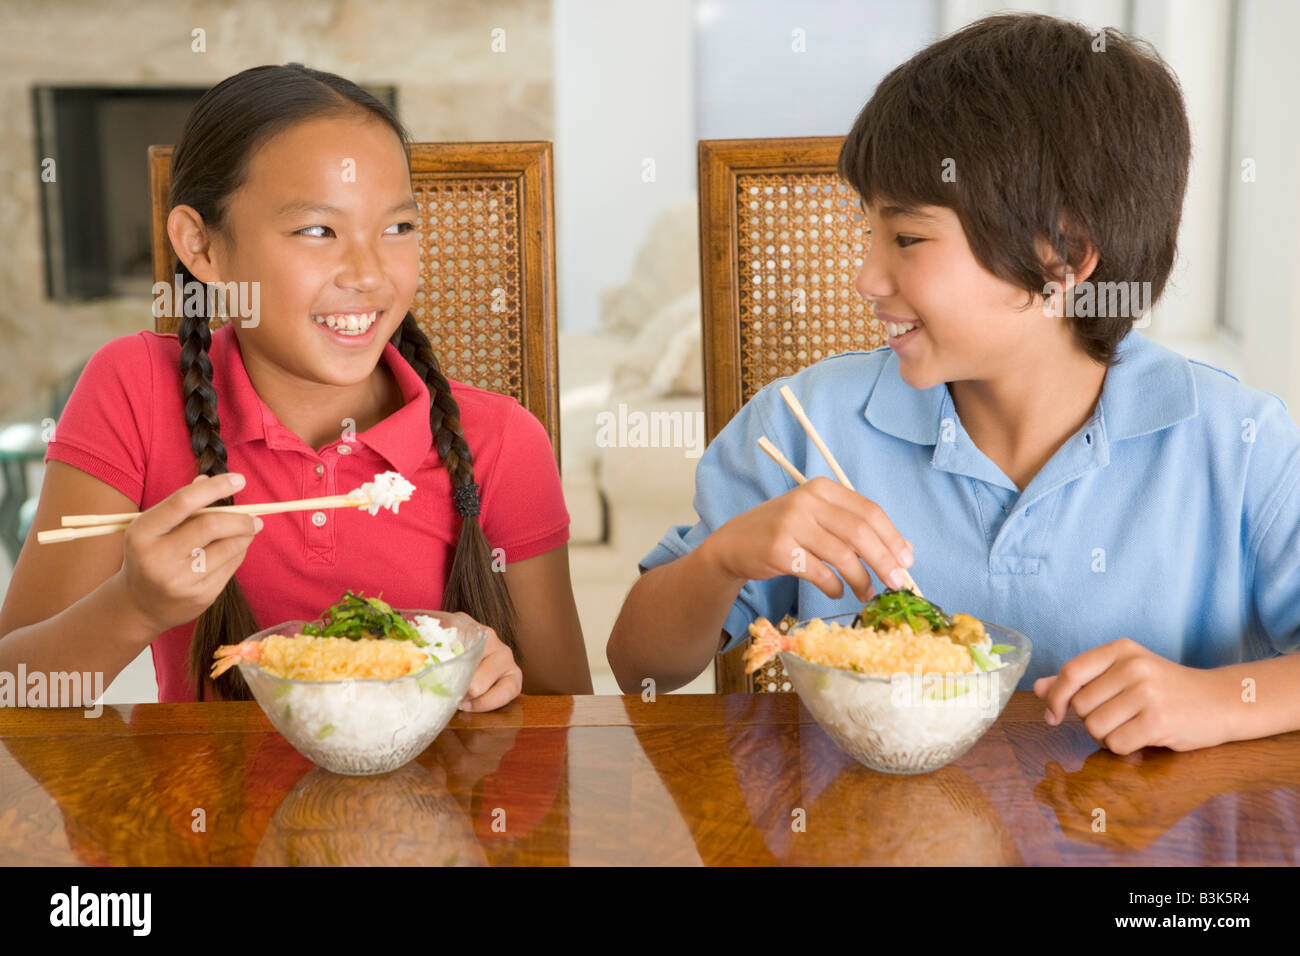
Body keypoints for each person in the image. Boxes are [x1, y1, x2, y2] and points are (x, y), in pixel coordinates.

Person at [608, 13, 1300, 754]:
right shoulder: (801, 426)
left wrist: (1220, 700)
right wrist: (722, 559)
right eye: (866, 230)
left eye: (907, 238)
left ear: (1065, 255)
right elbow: (639, 667)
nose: (866, 277)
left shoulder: (1239, 445)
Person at [0, 64, 592, 707]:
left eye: (397, 227)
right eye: (318, 230)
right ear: (201, 246)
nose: (368, 274)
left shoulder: (499, 441)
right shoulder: (135, 389)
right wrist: (133, 608)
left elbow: (569, 723)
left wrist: (492, 675)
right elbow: (15, 697)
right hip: (207, 805)